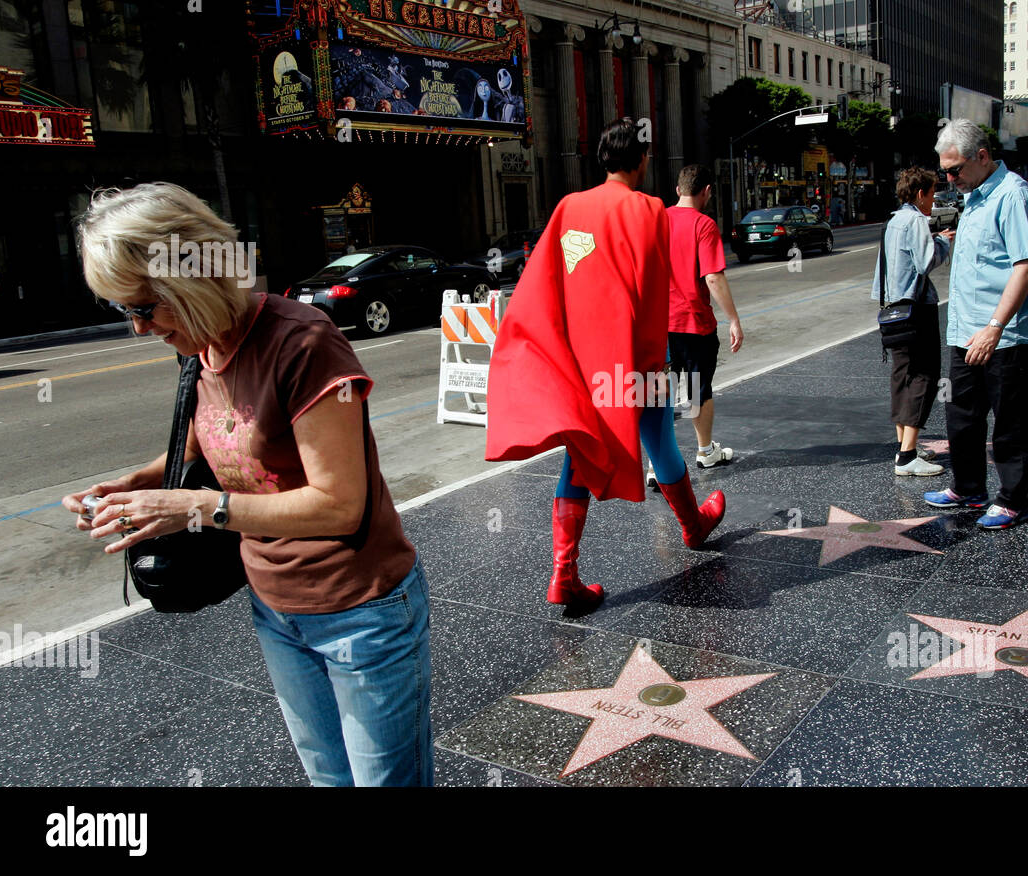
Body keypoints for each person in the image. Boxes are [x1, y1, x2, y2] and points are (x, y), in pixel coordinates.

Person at [63, 183, 432, 786]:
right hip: (275, 606)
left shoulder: (303, 342)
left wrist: (197, 508)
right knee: (328, 779)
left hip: (362, 611)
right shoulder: (200, 350)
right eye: (123, 311)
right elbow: (202, 443)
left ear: (191, 281)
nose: (137, 329)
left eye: (143, 308)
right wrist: (134, 485)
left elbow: (340, 504)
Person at [484, 119, 725, 609]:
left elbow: (544, 285)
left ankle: (563, 573)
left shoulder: (569, 207)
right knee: (658, 435)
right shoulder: (650, 210)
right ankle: (692, 526)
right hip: (636, 360)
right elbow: (653, 291)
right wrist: (654, 363)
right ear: (641, 160)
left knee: (581, 449)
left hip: (585, 363)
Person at [922, 119, 1028, 530]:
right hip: (966, 329)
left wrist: (996, 326)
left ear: (982, 157)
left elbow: (1025, 267)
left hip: (1003, 334)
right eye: (944, 170)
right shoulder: (975, 195)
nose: (948, 178)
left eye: (955, 169)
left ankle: (1013, 500)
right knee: (962, 414)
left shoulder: (1013, 195)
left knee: (1011, 420)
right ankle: (969, 486)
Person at [872, 166, 954, 477]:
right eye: (932, 194)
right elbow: (925, 262)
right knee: (924, 375)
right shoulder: (917, 220)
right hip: (917, 309)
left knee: (902, 375)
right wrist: (943, 244)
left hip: (893, 309)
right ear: (920, 194)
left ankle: (903, 447)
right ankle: (907, 457)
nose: (934, 200)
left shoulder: (893, 220)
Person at [662, 163, 744, 474]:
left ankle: (660, 462)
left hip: (661, 327)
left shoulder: (658, 220)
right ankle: (705, 451)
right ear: (707, 192)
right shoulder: (704, 225)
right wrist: (734, 319)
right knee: (698, 391)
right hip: (694, 325)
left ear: (678, 189)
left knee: (661, 393)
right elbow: (712, 277)